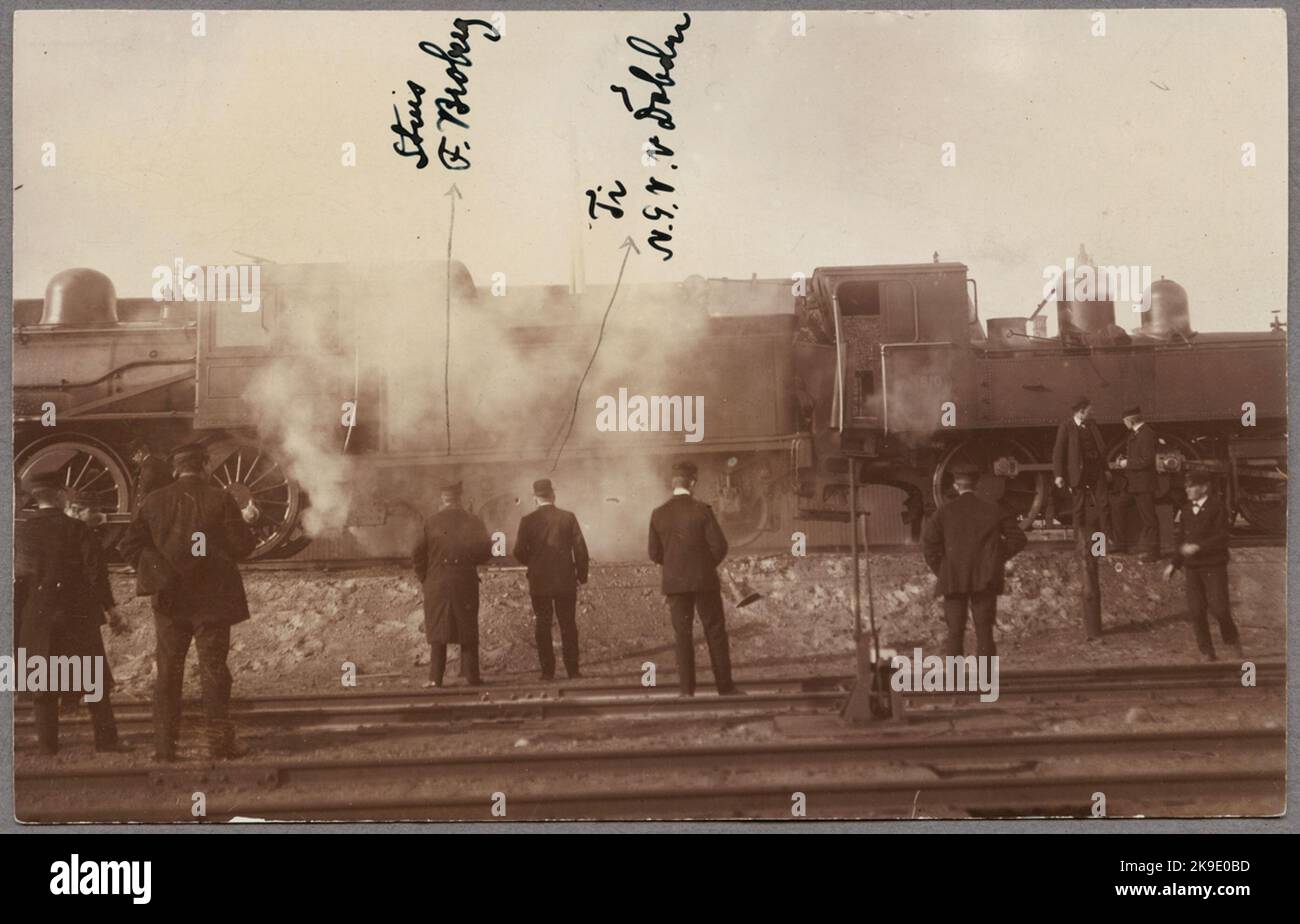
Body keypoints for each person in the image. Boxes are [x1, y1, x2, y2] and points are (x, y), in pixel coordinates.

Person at [118, 442, 260, 761]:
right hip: (212, 601)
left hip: (170, 601)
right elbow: (242, 548)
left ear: (175, 469)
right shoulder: (221, 499)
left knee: (168, 671)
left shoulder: (153, 501)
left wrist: (159, 574)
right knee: (213, 670)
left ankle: (165, 748)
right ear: (206, 465)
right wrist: (248, 521)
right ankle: (218, 745)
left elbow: (129, 546)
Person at [14, 471, 129, 755]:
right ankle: (106, 741)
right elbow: (95, 574)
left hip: (37, 613)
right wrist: (111, 609)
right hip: (77, 614)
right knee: (93, 680)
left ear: (35, 498)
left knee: (42, 682)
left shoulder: (20, 532)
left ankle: (47, 746)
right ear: (60, 495)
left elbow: (16, 580)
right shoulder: (78, 530)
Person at [648, 461, 741, 697]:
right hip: (704, 582)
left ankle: (686, 691)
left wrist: (673, 566)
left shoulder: (658, 514)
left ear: (672, 483)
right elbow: (720, 546)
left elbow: (654, 553)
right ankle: (725, 688)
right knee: (715, 632)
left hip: (675, 584)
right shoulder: (702, 510)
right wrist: (704, 567)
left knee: (683, 635)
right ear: (693, 482)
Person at [922, 463, 1028, 657]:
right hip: (985, 578)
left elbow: (928, 546)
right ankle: (986, 682)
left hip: (953, 578)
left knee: (954, 632)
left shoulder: (943, 512)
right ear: (978, 484)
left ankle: (957, 682)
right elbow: (1019, 539)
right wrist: (994, 559)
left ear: (956, 486)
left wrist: (944, 570)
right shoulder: (994, 508)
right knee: (985, 631)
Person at [413, 481, 493, 687]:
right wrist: (468, 561)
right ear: (460, 497)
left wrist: (425, 577)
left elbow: (417, 553)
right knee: (467, 626)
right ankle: (471, 676)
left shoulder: (430, 522)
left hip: (437, 581)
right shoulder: (474, 521)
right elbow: (485, 552)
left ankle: (435, 678)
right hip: (465, 580)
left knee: (438, 628)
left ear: (443, 498)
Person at [513, 479, 590, 681]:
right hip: (565, 580)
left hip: (539, 581)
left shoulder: (527, 521)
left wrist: (534, 564)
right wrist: (581, 575)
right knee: (568, 624)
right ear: (553, 495)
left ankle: (547, 672)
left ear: (534, 498)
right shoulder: (568, 517)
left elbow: (518, 551)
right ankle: (573, 671)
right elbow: (581, 549)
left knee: (543, 624)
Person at [1163, 470, 1242, 662]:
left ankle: (1231, 641)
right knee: (1196, 611)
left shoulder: (1217, 508)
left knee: (1220, 609)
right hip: (1192, 568)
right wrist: (1174, 564)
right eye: (1186, 486)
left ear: (1204, 488)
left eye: (1191, 486)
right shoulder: (1186, 509)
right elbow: (1181, 539)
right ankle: (1206, 651)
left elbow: (1223, 537)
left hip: (1213, 566)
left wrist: (1199, 546)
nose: (1187, 490)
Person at [1052, 396, 1110, 638]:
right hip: (1077, 474)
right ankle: (1079, 537)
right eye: (1088, 409)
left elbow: (1100, 448)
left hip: (1095, 472)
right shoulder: (1066, 427)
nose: (1091, 412)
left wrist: (1105, 467)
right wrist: (1058, 475)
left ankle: (1105, 537)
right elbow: (1059, 452)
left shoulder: (1092, 425)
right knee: (1078, 508)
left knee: (1103, 504)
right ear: (1080, 411)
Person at [1115, 405, 1161, 562]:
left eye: (1124, 421)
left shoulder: (1147, 434)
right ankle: (1121, 545)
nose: (1124, 424)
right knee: (1119, 507)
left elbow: (1146, 460)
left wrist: (1126, 463)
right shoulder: (1138, 433)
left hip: (1143, 484)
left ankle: (1153, 553)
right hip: (1134, 484)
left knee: (1149, 519)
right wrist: (1124, 459)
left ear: (1130, 420)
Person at [130, 439, 174, 505]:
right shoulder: (155, 463)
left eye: (133, 455)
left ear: (140, 453)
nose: (133, 459)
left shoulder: (149, 465)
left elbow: (146, 489)